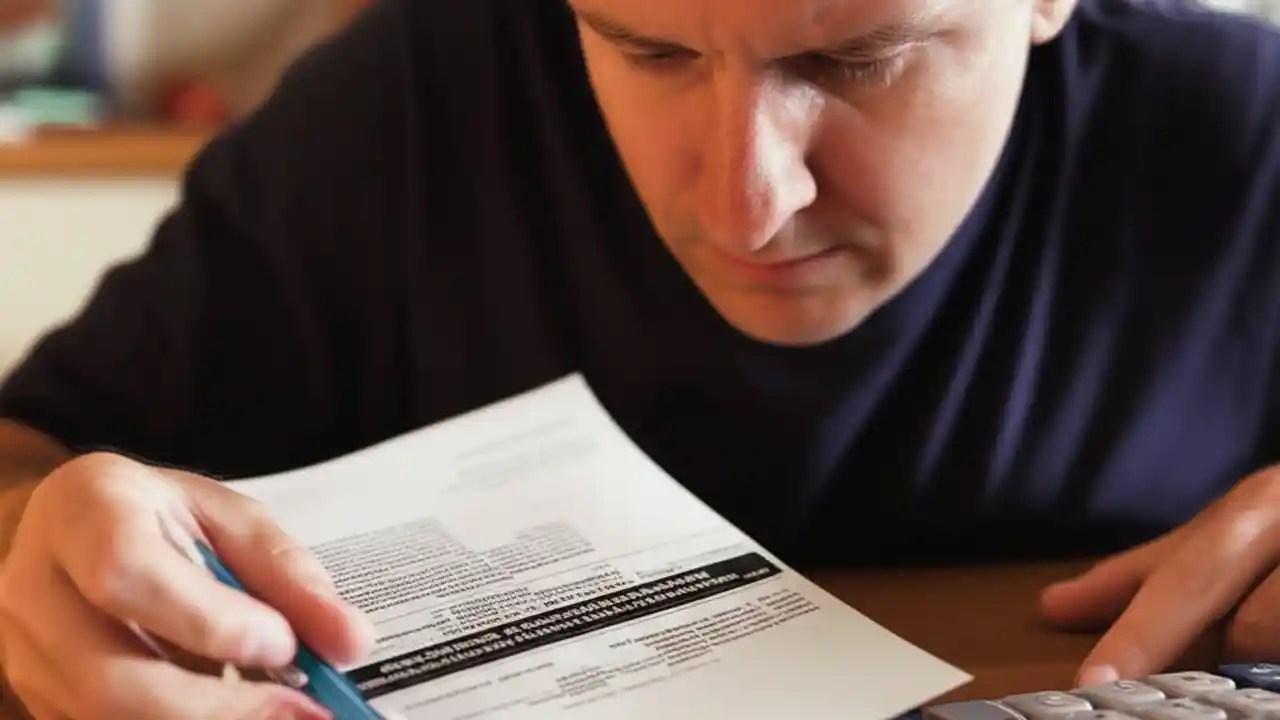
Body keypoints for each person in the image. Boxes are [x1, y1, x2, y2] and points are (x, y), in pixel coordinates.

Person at [1, 0, 1278, 715]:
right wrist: (38, 548)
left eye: (856, 59)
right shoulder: (388, 115)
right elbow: (30, 460)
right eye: (646, 49)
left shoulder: (1248, 130)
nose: (742, 206)